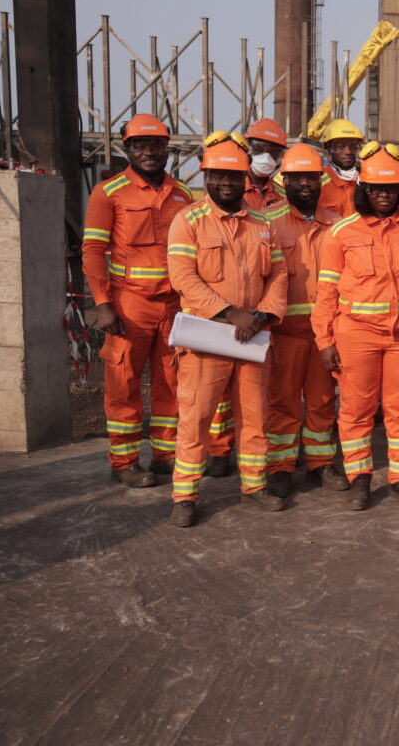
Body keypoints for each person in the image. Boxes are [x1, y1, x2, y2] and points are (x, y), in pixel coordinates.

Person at [164, 133, 289, 527]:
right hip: (207, 338)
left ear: (244, 180)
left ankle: (254, 484)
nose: (225, 183)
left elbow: (279, 273)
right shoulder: (188, 221)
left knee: (255, 416)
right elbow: (183, 277)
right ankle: (184, 495)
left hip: (252, 337)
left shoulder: (263, 224)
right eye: (217, 176)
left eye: (233, 176)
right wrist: (230, 313)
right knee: (196, 419)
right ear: (206, 177)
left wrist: (264, 315)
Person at [312, 147, 399, 511]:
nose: (383, 195)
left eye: (390, 189)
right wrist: (324, 340)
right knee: (356, 410)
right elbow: (326, 292)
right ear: (363, 190)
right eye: (375, 189)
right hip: (356, 335)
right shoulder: (340, 233)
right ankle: (360, 478)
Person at [82, 113, 194, 487]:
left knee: (172, 383)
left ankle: (165, 455)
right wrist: (102, 303)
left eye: (157, 145)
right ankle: (125, 461)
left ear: (167, 149)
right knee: (123, 384)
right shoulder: (108, 193)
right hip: (129, 305)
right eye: (140, 145)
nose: (149, 151)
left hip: (174, 305)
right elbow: (93, 250)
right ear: (127, 149)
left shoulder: (182, 195)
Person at [261, 143, 346, 499]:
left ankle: (320, 462)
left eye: (311, 177)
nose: (305, 185)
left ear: (321, 180)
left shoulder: (338, 227)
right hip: (284, 333)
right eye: (297, 178)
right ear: (285, 181)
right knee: (281, 400)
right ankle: (280, 467)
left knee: (323, 399)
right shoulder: (267, 223)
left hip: (325, 334)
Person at [318, 118, 364, 218]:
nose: (348, 152)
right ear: (329, 149)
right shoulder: (317, 182)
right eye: (340, 146)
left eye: (352, 146)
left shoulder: (367, 178)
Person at [243, 117, 287, 210]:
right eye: (259, 149)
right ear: (248, 147)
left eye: (274, 152)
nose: (266, 157)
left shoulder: (283, 197)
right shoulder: (232, 191)